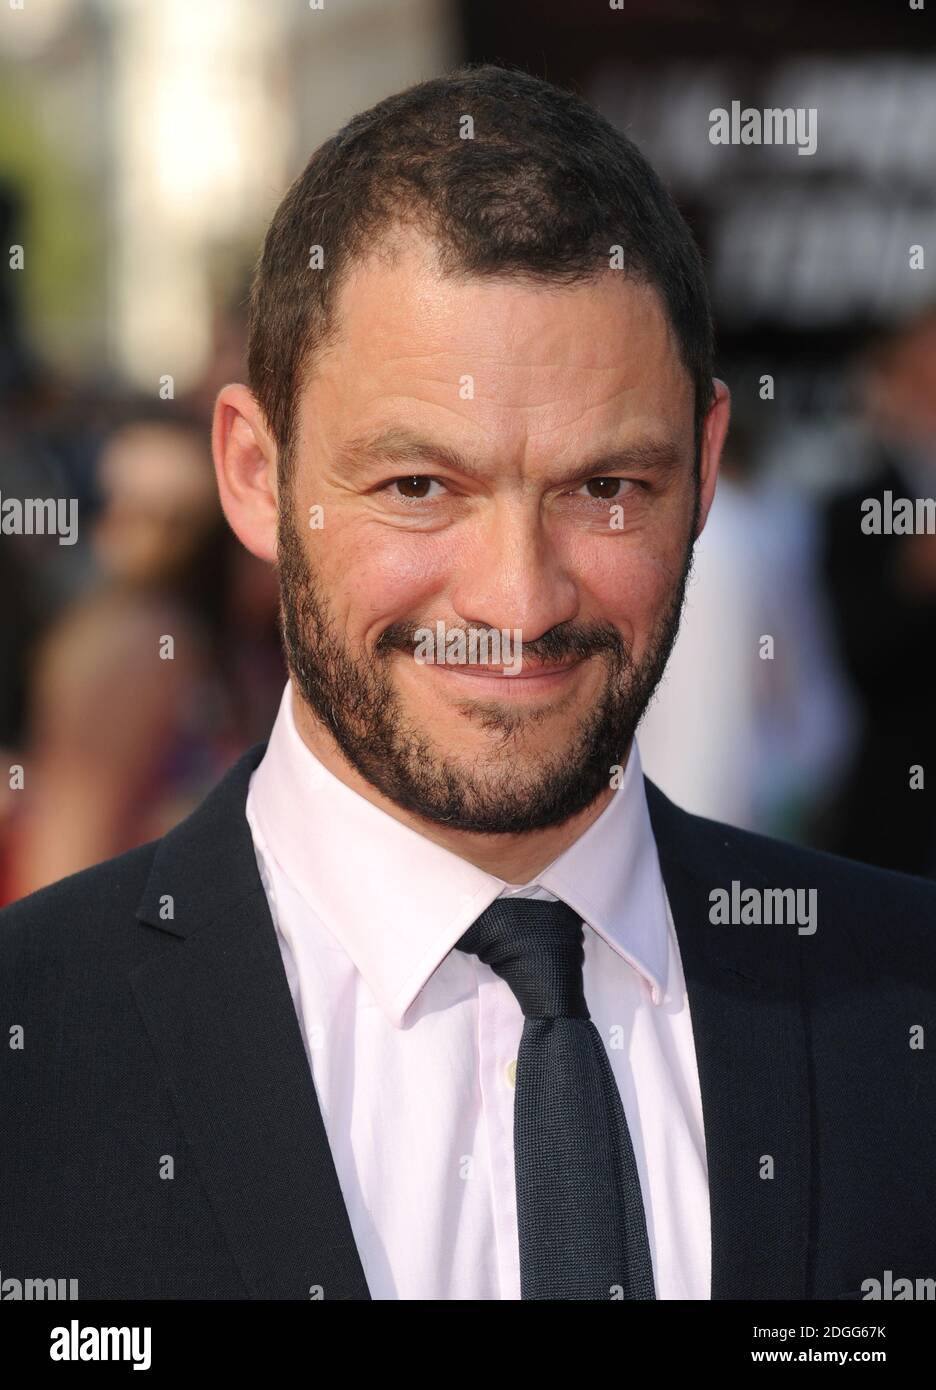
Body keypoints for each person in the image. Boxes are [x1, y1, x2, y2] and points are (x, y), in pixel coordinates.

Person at [1, 64, 934, 1302]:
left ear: (706, 468)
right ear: (250, 472)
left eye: (608, 487)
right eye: (420, 488)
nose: (519, 600)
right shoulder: (36, 1053)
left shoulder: (903, 1013)